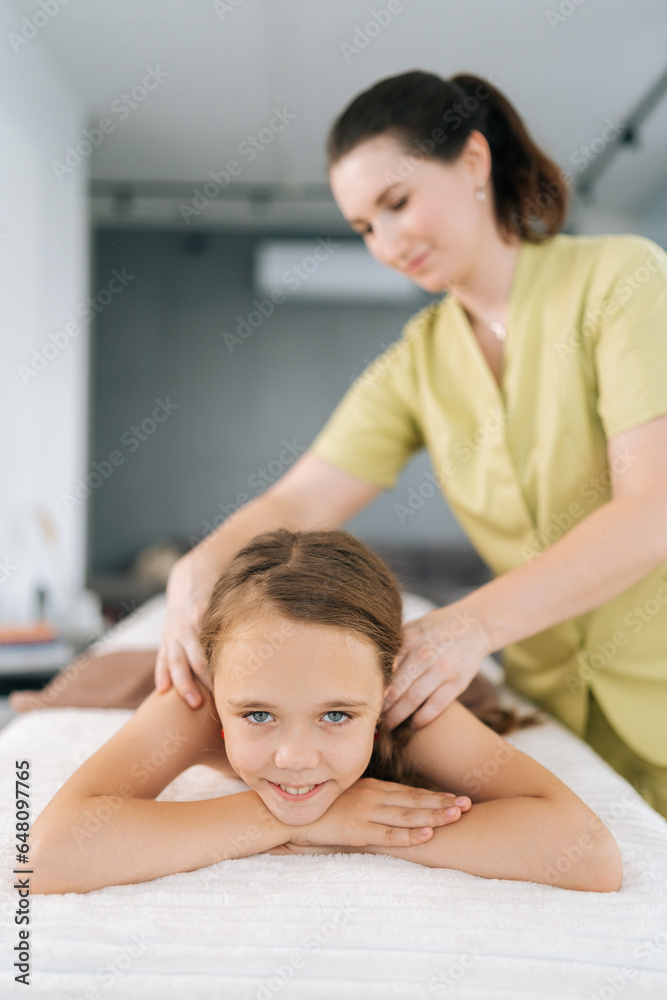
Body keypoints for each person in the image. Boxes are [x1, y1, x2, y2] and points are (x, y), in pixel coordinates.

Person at [155, 70, 667, 820]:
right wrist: (200, 565)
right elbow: (300, 497)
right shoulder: (417, 361)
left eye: (396, 203)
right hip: (560, 707)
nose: (387, 244)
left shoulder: (621, 281)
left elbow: (649, 511)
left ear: (471, 162)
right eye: (364, 228)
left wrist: (468, 626)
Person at [30, 528, 622, 894]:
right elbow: (48, 857)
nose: (294, 758)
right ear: (218, 686)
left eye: (337, 715)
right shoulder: (197, 699)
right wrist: (313, 820)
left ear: (384, 691)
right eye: (257, 715)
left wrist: (366, 830)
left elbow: (589, 854)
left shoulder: (406, 707)